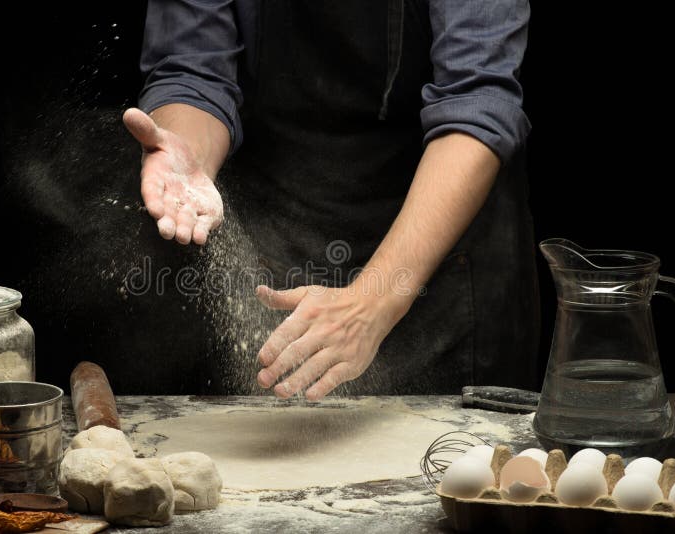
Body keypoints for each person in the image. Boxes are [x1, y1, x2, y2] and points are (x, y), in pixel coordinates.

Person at [123, 0, 540, 399]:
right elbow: (195, 71)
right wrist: (189, 154)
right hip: (278, 244)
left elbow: (474, 100)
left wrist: (372, 301)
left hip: (441, 269)